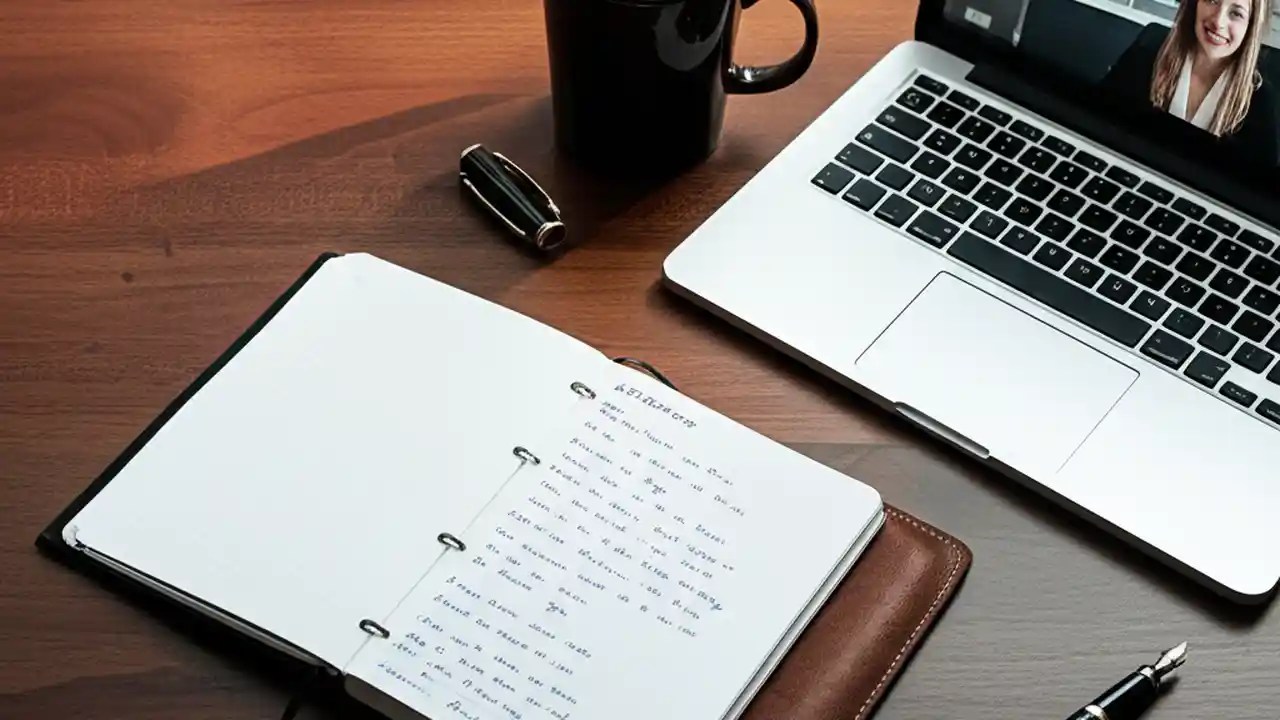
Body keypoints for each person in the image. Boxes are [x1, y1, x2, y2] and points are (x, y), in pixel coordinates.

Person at [1101, 0, 1278, 165]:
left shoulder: (1259, 100)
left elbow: (1255, 189)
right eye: (1212, 1)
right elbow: (1098, 117)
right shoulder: (1148, 48)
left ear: (1251, 27)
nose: (1218, 21)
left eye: (1236, 14)